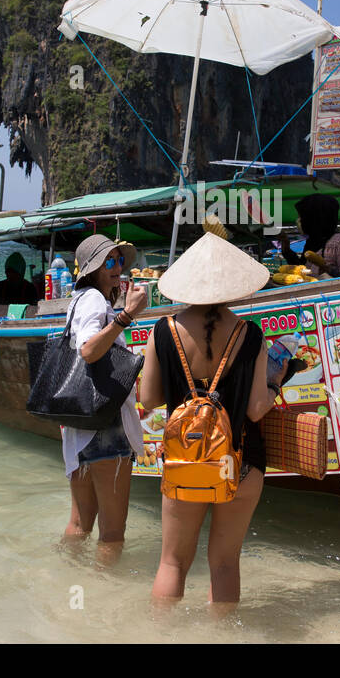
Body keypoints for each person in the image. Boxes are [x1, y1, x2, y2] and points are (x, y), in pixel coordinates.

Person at [141, 233, 274, 606]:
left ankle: (161, 635)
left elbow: (148, 399)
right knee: (225, 564)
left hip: (185, 461)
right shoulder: (250, 335)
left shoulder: (163, 332)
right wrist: (276, 383)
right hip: (241, 462)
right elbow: (254, 409)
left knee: (172, 562)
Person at [60, 234, 150, 564]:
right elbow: (88, 350)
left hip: (80, 424)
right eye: (109, 262)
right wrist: (127, 316)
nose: (117, 268)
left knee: (80, 524)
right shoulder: (95, 302)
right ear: (93, 268)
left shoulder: (78, 300)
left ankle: (64, 580)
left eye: (120, 260)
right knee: (112, 533)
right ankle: (105, 606)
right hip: (105, 425)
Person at [280, 192, 340, 277]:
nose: (299, 220)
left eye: (301, 217)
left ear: (314, 218)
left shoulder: (338, 242)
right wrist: (286, 248)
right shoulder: (311, 242)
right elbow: (302, 269)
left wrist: (328, 269)